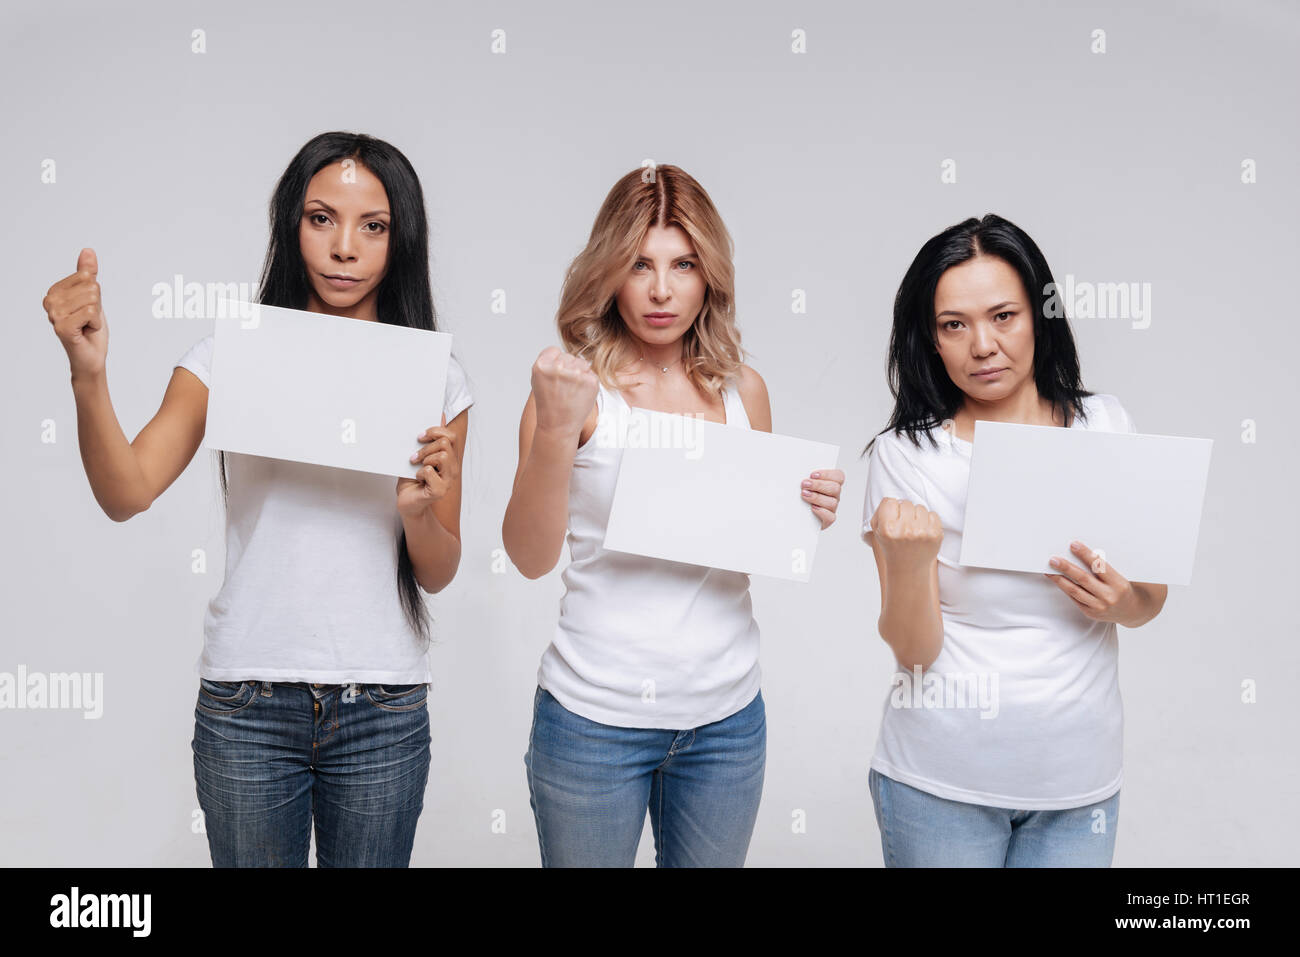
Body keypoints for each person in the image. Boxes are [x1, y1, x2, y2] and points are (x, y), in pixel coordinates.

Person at [41, 131, 472, 867]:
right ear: (289, 224)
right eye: (320, 217)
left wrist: (418, 512)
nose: (344, 247)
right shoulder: (226, 357)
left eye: (373, 225)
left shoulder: (437, 379)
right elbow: (128, 490)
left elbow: (437, 569)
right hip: (248, 698)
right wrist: (89, 375)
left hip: (383, 702)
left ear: (401, 240)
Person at [502, 163, 845, 867]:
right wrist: (556, 433)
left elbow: (749, 544)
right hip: (593, 718)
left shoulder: (744, 390)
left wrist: (805, 511)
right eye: (639, 264)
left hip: (725, 720)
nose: (661, 290)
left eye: (683, 264)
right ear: (608, 272)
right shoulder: (572, 391)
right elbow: (530, 555)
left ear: (709, 273)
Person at [861, 213, 1168, 867]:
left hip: (1079, 788)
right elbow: (914, 654)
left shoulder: (1105, 424)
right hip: (940, 785)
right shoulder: (905, 456)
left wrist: (1120, 602)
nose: (983, 345)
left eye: (1004, 315)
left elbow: (1151, 599)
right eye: (955, 324)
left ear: (1040, 317)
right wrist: (910, 561)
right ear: (932, 339)